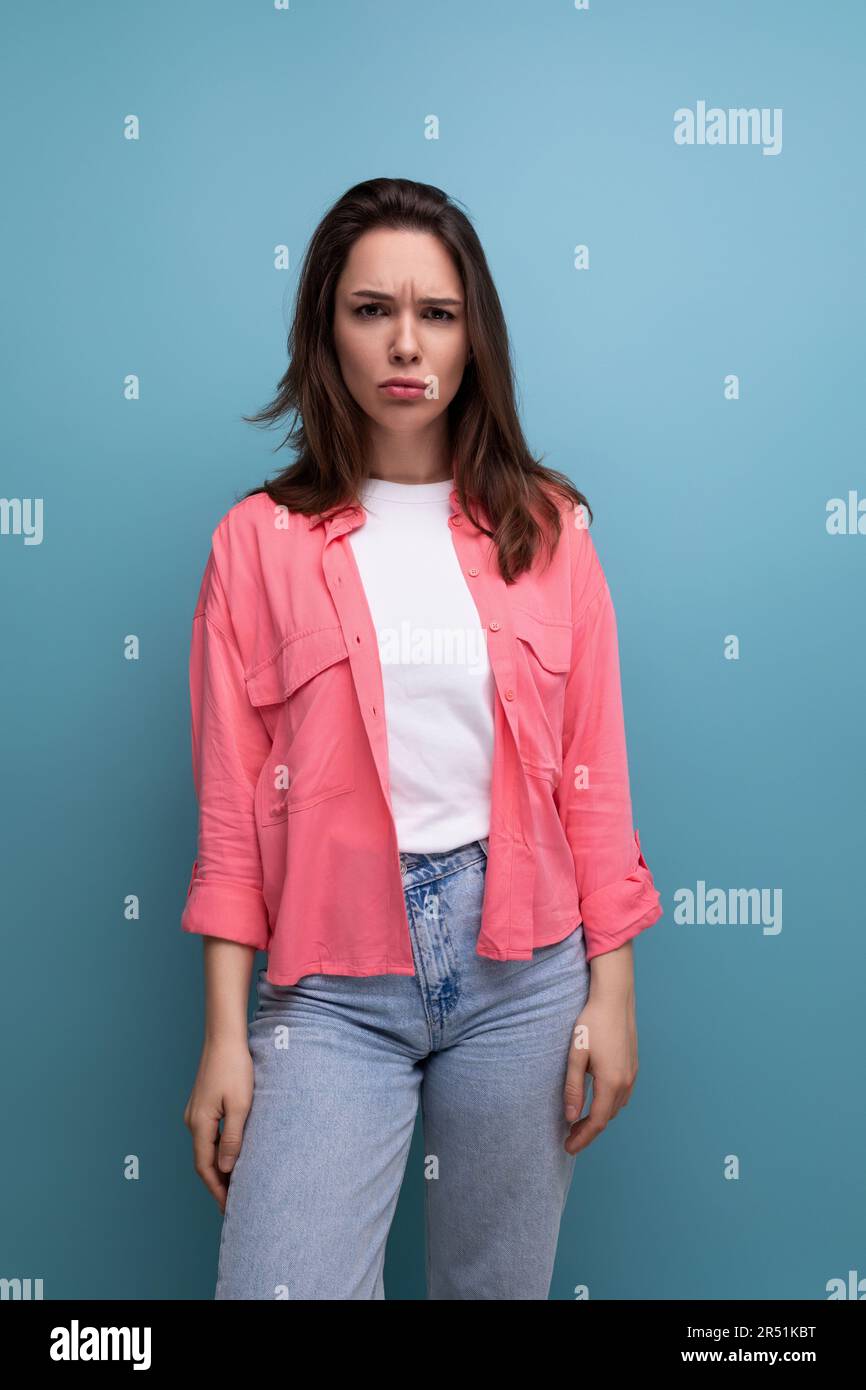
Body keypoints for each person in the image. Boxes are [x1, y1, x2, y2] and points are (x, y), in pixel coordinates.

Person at [181, 177, 663, 1300]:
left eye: (436, 312)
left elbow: (592, 781)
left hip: (525, 972)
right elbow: (227, 809)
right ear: (325, 330)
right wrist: (222, 1034)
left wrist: (613, 988)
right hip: (329, 982)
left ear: (472, 333)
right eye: (369, 309)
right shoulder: (256, 546)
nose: (405, 342)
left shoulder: (547, 529)